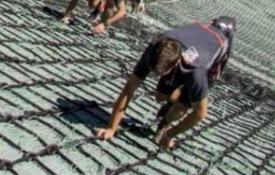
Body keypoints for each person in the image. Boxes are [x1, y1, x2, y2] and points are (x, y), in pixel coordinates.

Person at [96, 16, 236, 149]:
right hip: (193, 39)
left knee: (181, 107)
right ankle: (171, 103)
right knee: (160, 96)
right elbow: (130, 88)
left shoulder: (197, 71)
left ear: (176, 63)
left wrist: (169, 135)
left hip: (213, 54)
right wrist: (111, 128)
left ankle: (165, 124)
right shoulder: (157, 43)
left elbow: (200, 113)